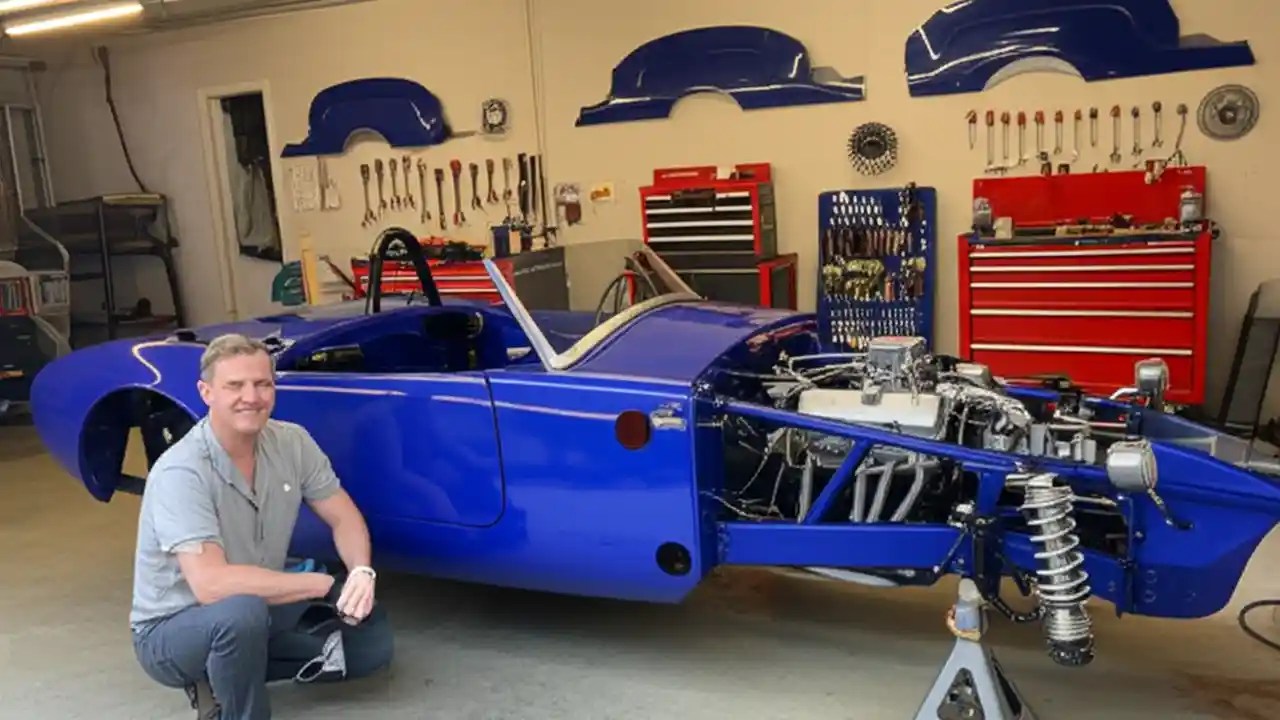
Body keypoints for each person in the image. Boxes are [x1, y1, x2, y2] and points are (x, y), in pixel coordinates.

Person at [129, 333, 394, 719]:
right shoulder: (181, 471)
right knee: (241, 614)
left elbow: (344, 516)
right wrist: (322, 586)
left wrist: (361, 573)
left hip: (256, 607)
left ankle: (229, 674)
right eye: (234, 385)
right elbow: (211, 585)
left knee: (372, 639)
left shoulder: (292, 442)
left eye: (262, 384)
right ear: (207, 393)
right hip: (173, 630)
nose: (250, 397)